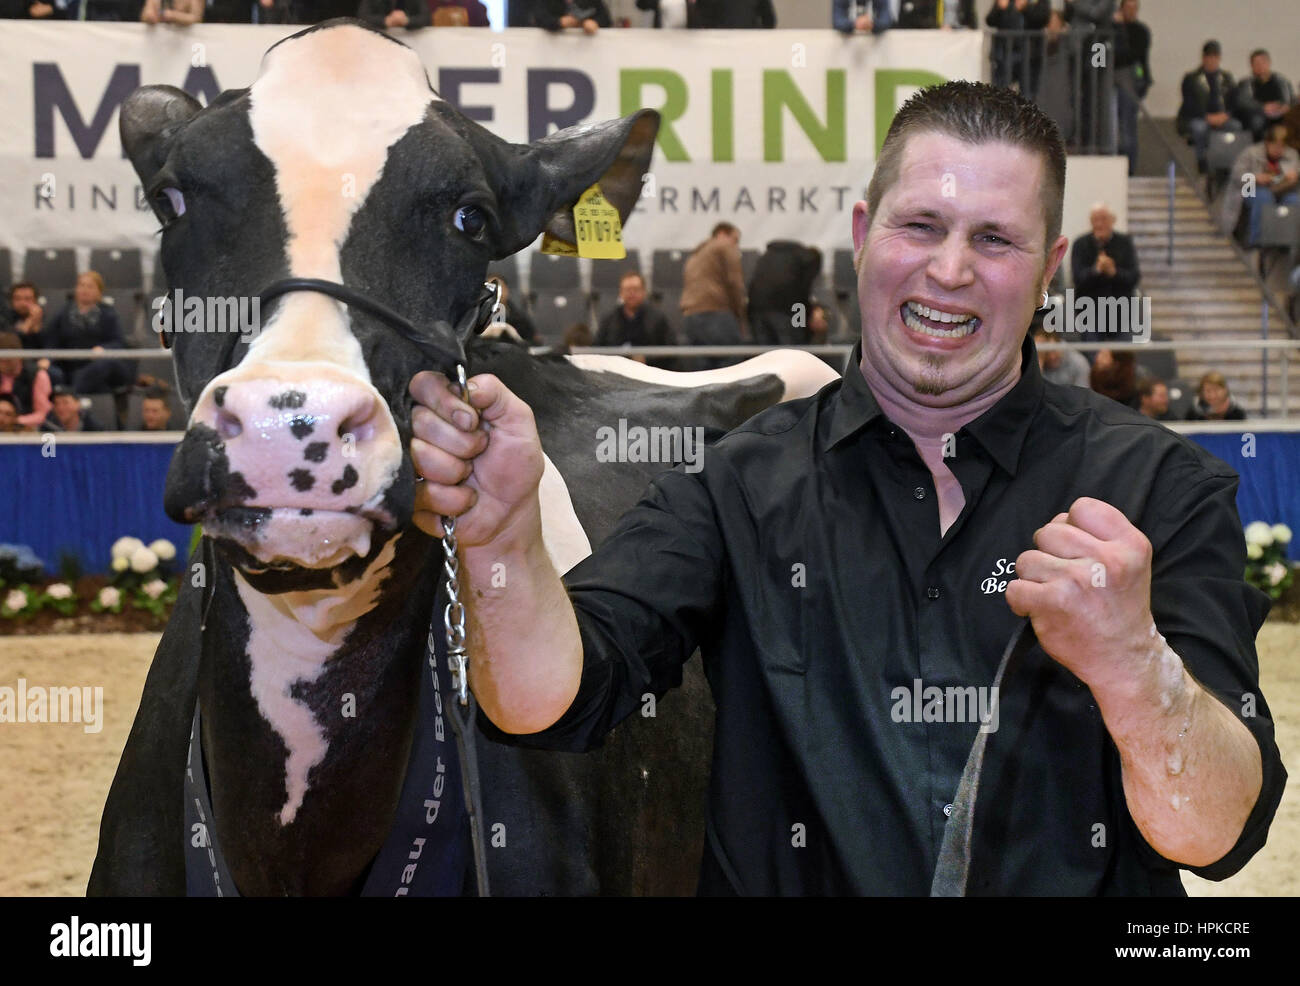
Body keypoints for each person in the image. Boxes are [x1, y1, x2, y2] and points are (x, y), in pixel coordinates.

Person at [408, 81, 1284, 895]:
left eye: (994, 239)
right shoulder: (737, 484)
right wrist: (501, 538)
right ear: (864, 234)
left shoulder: (1162, 488)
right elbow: (544, 702)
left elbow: (1213, 833)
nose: (949, 270)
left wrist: (1135, 667)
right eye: (921, 225)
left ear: (1051, 265)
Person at [43, 271, 130, 395]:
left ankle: (73, 395)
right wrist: (48, 359)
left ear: (99, 291)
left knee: (102, 365)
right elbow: (52, 341)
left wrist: (103, 348)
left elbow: (119, 342)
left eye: (90, 286)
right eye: (81, 285)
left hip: (98, 363)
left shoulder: (108, 314)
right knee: (48, 371)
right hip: (70, 364)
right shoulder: (63, 313)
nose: (85, 290)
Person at [1070, 203, 1140, 348]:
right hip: (1090, 313)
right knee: (1095, 362)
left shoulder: (1125, 243)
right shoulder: (1080, 244)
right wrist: (1096, 270)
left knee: (1124, 360)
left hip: (1122, 313)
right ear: (1091, 222)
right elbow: (1078, 279)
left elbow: (1134, 277)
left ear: (1112, 220)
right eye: (1096, 219)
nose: (1100, 224)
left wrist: (1114, 273)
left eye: (1104, 219)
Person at [680, 222, 747, 368]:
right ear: (722, 234)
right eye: (735, 240)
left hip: (691, 316)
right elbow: (734, 282)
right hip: (715, 313)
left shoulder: (696, 254)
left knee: (702, 370)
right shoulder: (723, 245)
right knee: (732, 365)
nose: (736, 245)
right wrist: (739, 314)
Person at [1220, 124, 1300, 247]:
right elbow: (1237, 175)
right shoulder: (1251, 152)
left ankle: (1286, 240)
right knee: (1263, 197)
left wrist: (1294, 176)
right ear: (1268, 143)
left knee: (1295, 201)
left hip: (1282, 190)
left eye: (1282, 147)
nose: (1278, 150)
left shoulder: (1292, 155)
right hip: (1250, 188)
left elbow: (1295, 174)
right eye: (1276, 146)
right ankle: (1258, 239)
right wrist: (1255, 177)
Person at [1178, 40, 1244, 174]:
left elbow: (1234, 100)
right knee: (1199, 128)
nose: (1212, 60)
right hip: (1199, 117)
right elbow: (1189, 103)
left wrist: (1226, 115)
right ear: (1203, 58)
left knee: (1235, 126)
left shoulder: (1226, 78)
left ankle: (1228, 162)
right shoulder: (1191, 78)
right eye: (1209, 57)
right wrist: (1207, 117)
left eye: (1215, 57)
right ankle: (1202, 160)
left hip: (1223, 117)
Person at [746, 240, 822, 346]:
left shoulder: (767, 256)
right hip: (787, 311)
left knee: (764, 355)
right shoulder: (807, 260)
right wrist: (805, 323)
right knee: (791, 353)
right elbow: (803, 293)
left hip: (757, 310)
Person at [595, 271, 678, 368]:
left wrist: (647, 359)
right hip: (616, 372)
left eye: (635, 289)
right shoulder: (609, 320)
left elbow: (671, 349)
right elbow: (597, 348)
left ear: (644, 292)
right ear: (621, 293)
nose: (631, 293)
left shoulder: (658, 318)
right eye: (627, 290)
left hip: (651, 372)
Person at [1112, 0, 1152, 176]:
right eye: (1128, 8)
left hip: (1130, 83)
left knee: (1128, 128)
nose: (1131, 12)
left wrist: (1120, 30)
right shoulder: (1109, 30)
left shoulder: (1141, 31)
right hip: (1111, 84)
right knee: (1112, 127)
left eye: (1134, 9)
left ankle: (1130, 171)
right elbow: (1106, 56)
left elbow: (1131, 54)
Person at [1234, 50, 1294, 141]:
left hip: (1280, 113)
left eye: (1263, 62)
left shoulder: (1282, 81)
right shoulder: (1246, 83)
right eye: (1256, 63)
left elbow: (1291, 99)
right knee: (1256, 122)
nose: (1260, 66)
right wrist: (1263, 107)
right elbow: (1242, 102)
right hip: (1258, 114)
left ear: (1269, 63)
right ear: (1251, 66)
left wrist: (1285, 107)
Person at [0, 331, 53, 430]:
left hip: (25, 429)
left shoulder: (37, 375)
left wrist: (15, 421)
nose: (2, 365)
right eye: (0, 361)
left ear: (19, 356)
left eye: (7, 361)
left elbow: (43, 413)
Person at [1031, 323, 1089, 387]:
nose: (1052, 357)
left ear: (1059, 343)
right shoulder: (1037, 364)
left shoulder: (1078, 362)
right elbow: (1033, 391)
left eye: (1054, 351)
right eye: (1046, 354)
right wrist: (1039, 361)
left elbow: (1082, 394)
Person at [525, 0, 610, 32]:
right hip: (550, 51)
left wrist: (596, 23)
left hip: (587, 51)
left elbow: (606, 18)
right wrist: (559, 23)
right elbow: (539, 17)